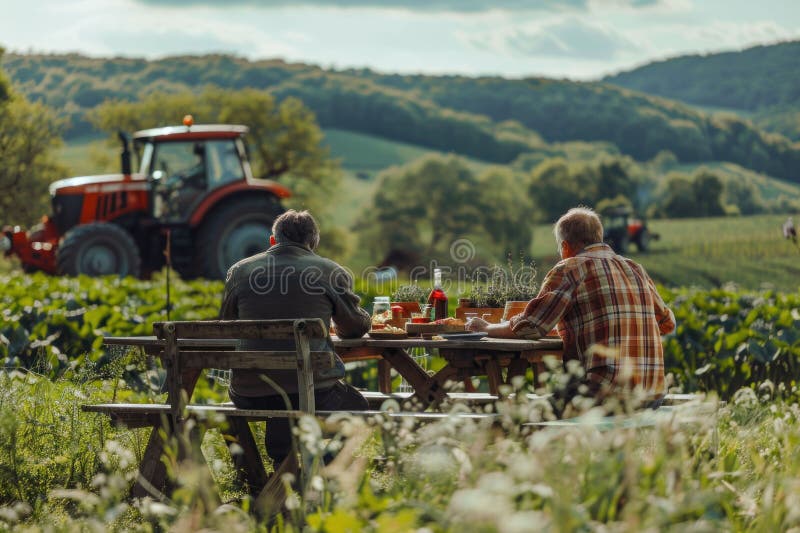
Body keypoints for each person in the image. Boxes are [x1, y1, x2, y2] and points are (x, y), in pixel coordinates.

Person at [468, 206, 675, 411]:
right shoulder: (634, 268)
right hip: (652, 395)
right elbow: (668, 324)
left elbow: (530, 326)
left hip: (605, 394)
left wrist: (486, 328)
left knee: (529, 415)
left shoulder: (571, 268)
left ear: (565, 246)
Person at [219, 209, 370, 465]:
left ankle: (266, 475)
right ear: (313, 242)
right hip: (312, 392)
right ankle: (321, 464)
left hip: (249, 392)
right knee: (360, 410)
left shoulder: (239, 272)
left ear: (272, 241)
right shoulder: (330, 271)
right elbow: (354, 328)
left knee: (283, 390)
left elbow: (226, 326)